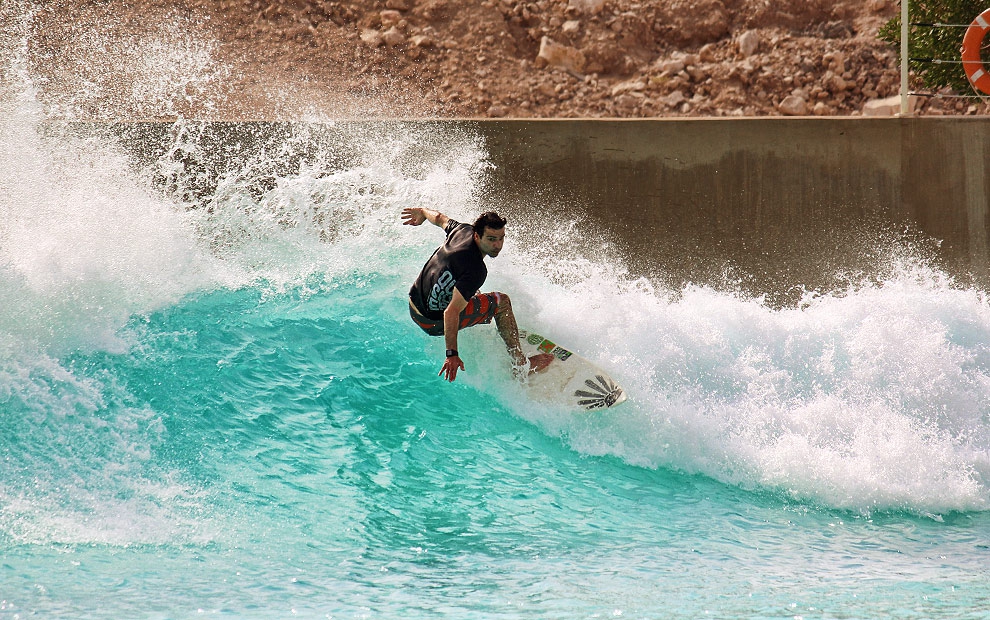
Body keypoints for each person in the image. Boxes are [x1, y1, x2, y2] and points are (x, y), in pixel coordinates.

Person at [402, 207, 554, 382]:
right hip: (432, 322)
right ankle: (521, 365)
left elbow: (438, 218)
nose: (497, 245)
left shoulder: (461, 230)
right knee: (501, 301)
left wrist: (422, 211)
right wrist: (452, 354)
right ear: (477, 236)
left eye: (501, 238)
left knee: (469, 290)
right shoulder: (476, 270)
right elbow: (450, 312)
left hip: (413, 303)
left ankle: (486, 316)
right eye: (491, 239)